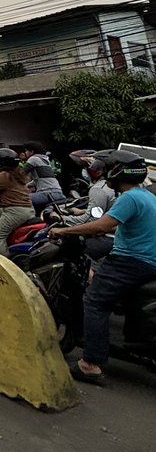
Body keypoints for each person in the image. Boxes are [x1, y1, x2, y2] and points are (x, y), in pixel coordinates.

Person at [50, 151, 156, 384]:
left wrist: (63, 230)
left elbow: (100, 227)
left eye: (110, 168)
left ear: (119, 171)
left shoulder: (128, 198)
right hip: (148, 262)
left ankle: (90, 364)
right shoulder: (147, 196)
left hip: (131, 261)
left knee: (95, 301)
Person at [20, 142, 66, 213]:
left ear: (32, 151)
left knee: (18, 199)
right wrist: (26, 186)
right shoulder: (46, 160)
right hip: (58, 193)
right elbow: (39, 180)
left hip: (47, 194)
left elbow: (20, 174)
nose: (25, 152)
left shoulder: (33, 159)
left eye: (26, 150)